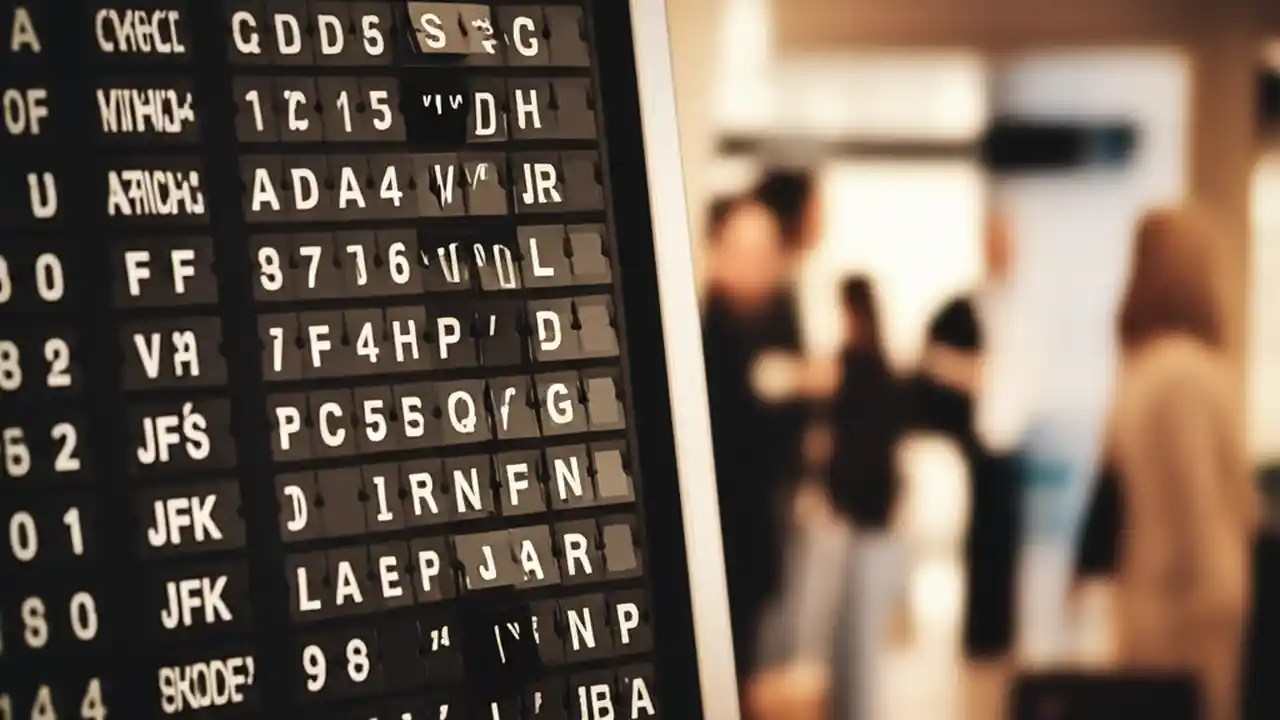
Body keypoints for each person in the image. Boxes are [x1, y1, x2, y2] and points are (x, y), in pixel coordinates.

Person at [1110, 207, 1258, 720]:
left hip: (1149, 595)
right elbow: (1198, 504)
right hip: (1192, 606)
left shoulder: (1143, 370)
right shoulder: (1188, 375)